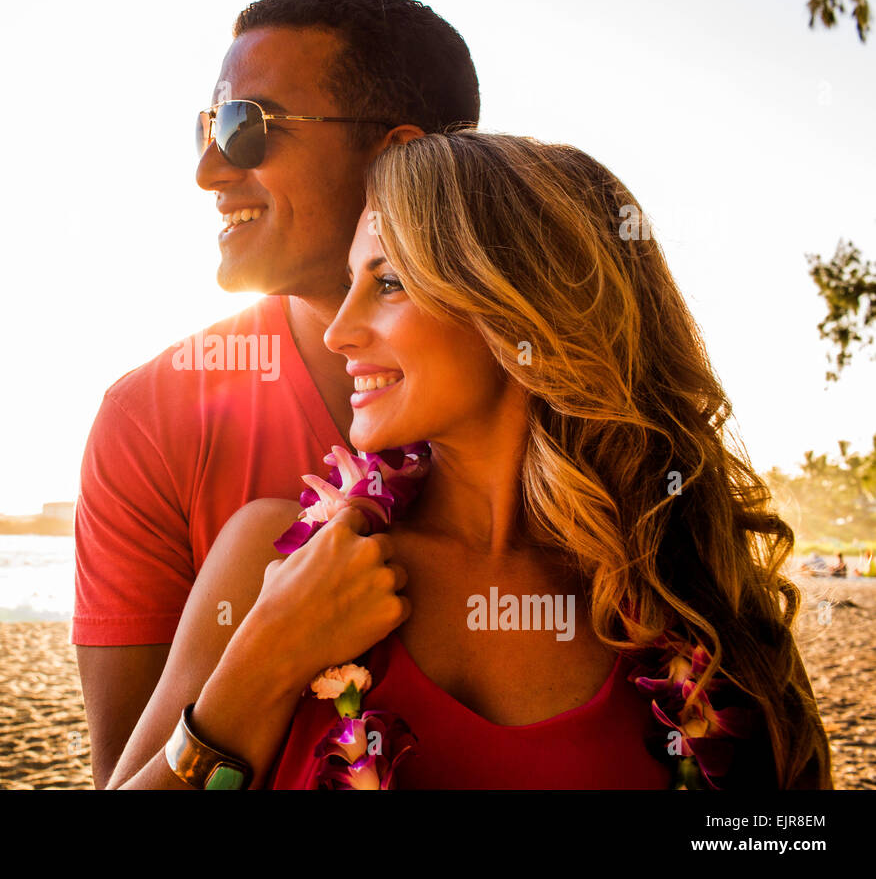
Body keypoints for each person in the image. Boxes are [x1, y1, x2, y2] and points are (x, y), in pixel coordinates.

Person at [105, 131, 832, 789]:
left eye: (387, 284)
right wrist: (260, 663)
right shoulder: (276, 563)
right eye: (351, 282)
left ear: (518, 306)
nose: (340, 332)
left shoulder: (694, 602)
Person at [71, 0, 480, 788]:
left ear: (396, 156)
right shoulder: (152, 419)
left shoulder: (565, 412)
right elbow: (124, 774)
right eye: (205, 127)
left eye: (244, 127)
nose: (207, 171)